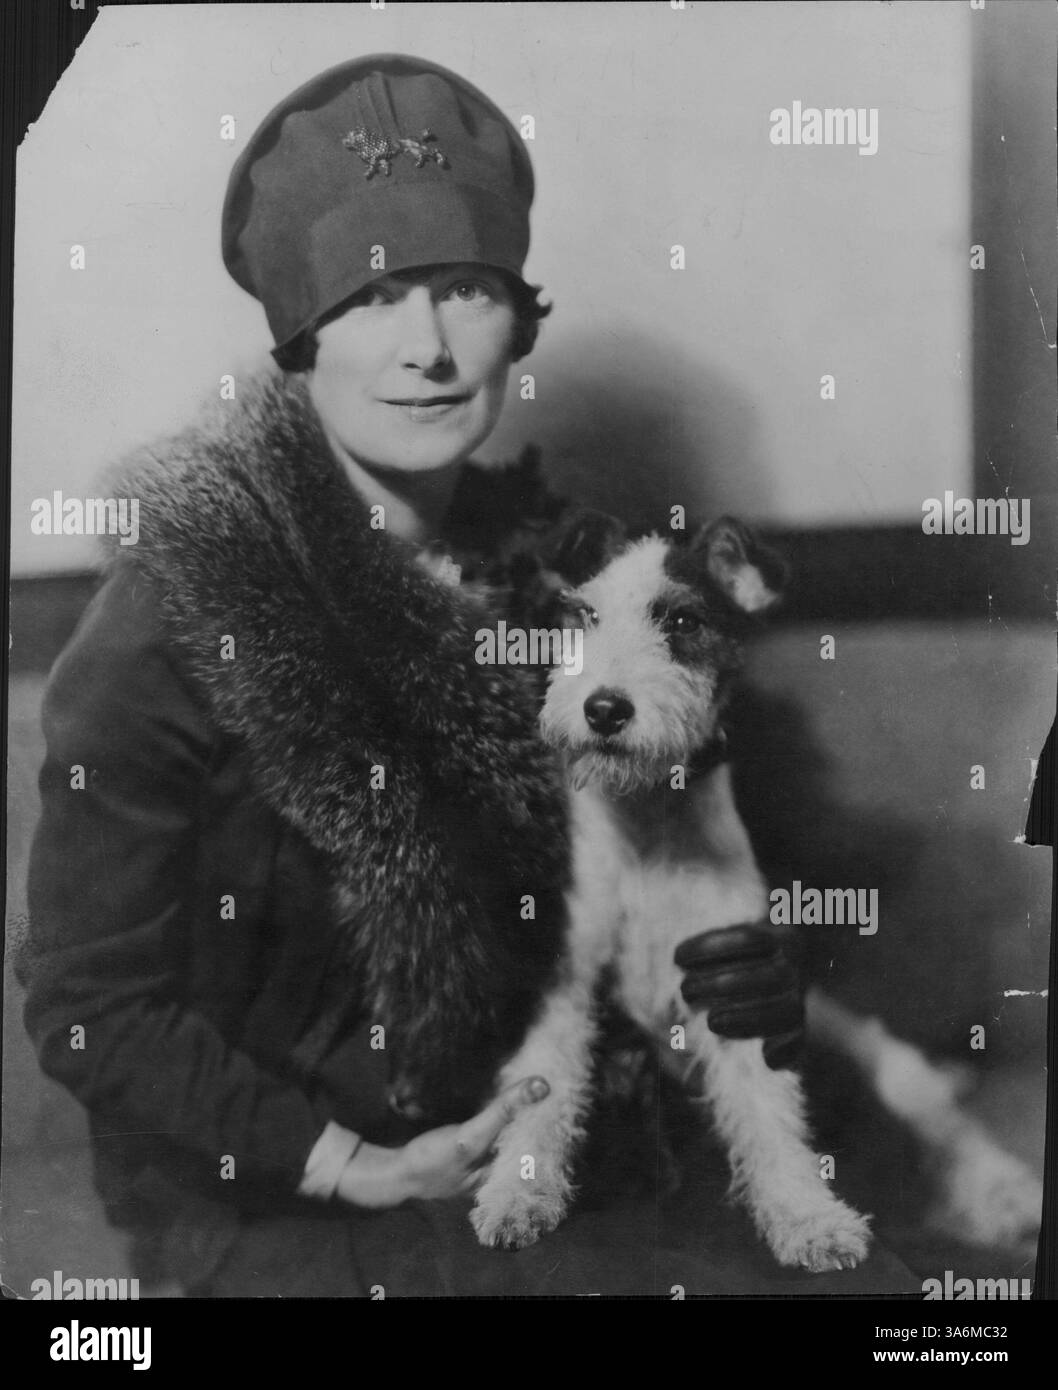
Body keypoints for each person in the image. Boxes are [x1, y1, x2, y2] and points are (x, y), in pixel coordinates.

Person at [19, 54, 908, 1297]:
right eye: (372, 299)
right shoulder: (171, 617)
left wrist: (733, 988)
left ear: (518, 325)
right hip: (284, 1198)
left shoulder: (573, 588)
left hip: (554, 1148)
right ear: (296, 340)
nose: (427, 349)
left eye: (464, 291)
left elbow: (614, 927)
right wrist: (344, 1162)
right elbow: (87, 1005)